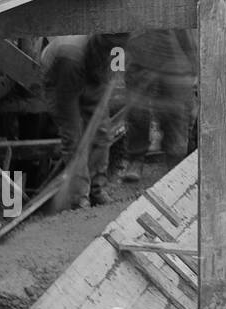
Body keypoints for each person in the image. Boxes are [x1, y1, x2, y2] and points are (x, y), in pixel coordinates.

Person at [41, 33, 125, 208]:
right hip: (61, 76)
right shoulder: (70, 56)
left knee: (102, 132)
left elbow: (113, 73)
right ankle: (79, 196)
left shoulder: (116, 49)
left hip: (93, 72)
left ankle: (98, 189)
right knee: (74, 137)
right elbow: (69, 106)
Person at [124, 24, 198, 180]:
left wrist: (193, 61)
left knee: (175, 110)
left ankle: (175, 163)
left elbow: (183, 26)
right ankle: (136, 159)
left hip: (170, 53)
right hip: (139, 51)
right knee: (137, 112)